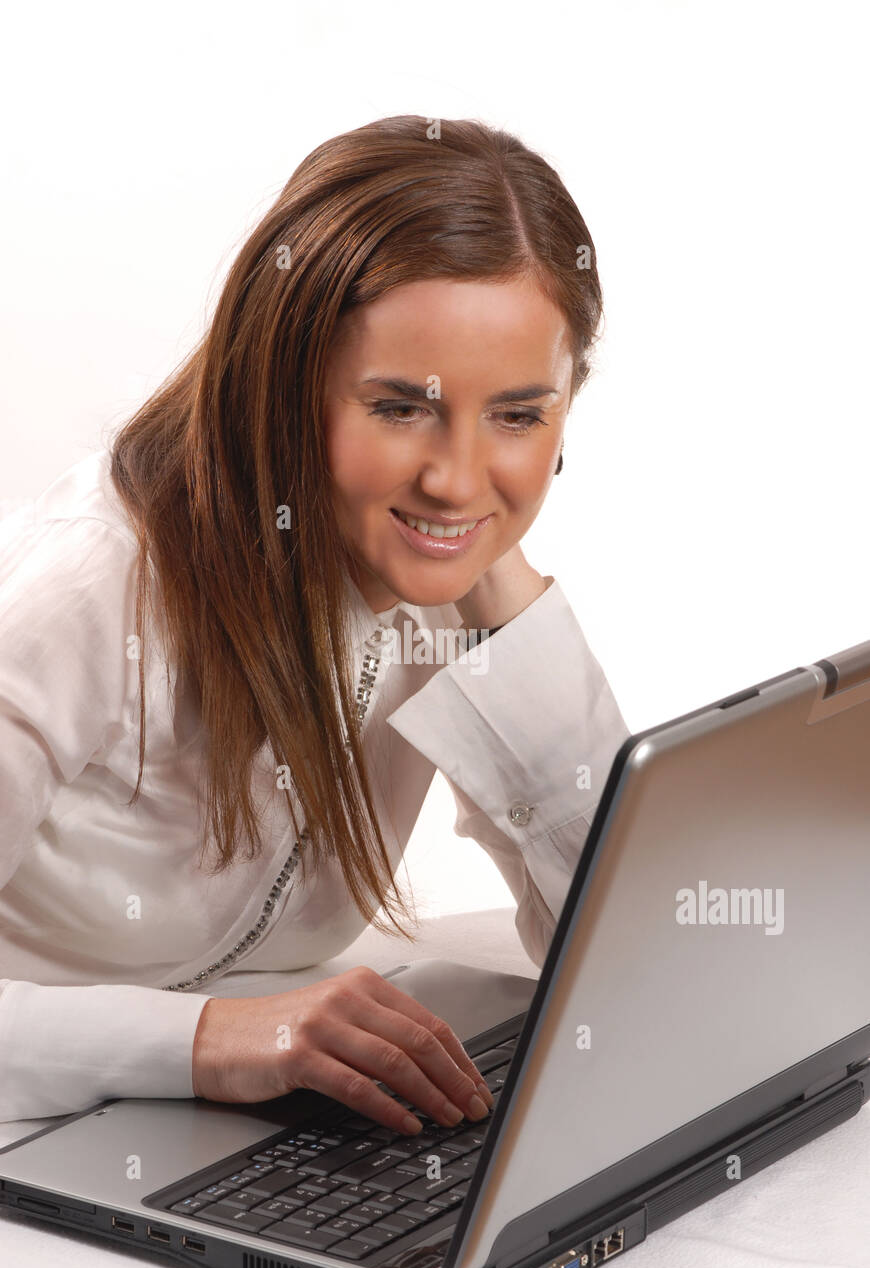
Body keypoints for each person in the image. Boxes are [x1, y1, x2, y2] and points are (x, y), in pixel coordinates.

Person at [0, 115, 629, 1127]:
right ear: (282, 386)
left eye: (517, 415)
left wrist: (498, 585)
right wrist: (210, 1043)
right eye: (400, 408)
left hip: (202, 1135)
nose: (456, 474)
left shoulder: (434, 574)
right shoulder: (87, 590)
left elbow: (626, 956)